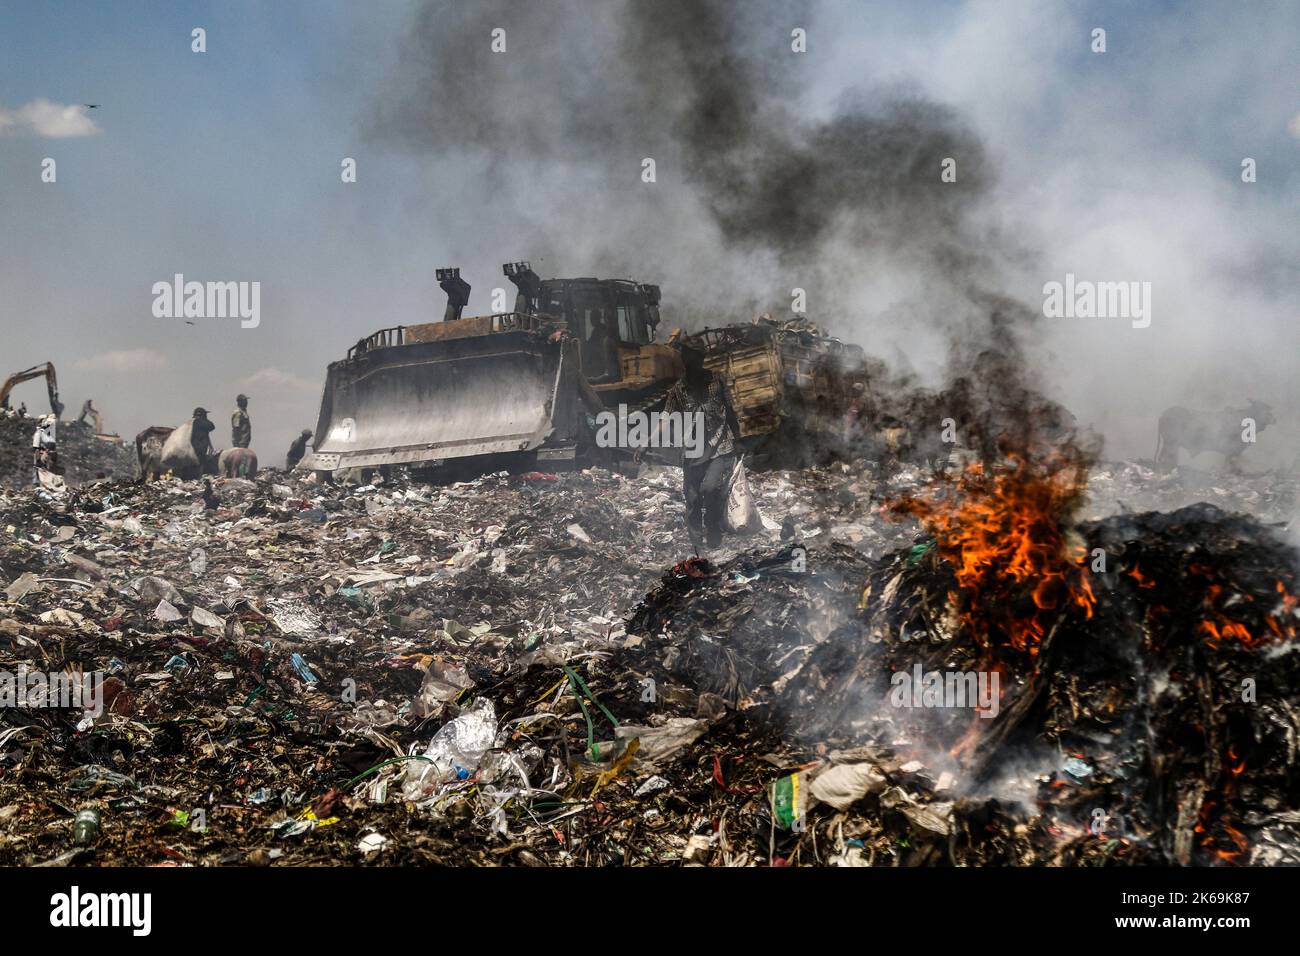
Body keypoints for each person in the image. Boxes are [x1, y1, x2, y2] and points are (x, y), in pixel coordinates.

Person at [661, 345, 741, 555]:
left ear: (700, 361)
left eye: (692, 361)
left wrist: (740, 441)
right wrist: (645, 443)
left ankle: (713, 525)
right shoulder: (679, 389)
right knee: (693, 499)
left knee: (710, 488)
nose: (688, 366)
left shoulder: (717, 382)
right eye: (685, 361)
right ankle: (697, 546)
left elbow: (730, 411)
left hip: (718, 446)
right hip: (692, 449)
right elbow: (665, 416)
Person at [32, 414, 58, 480]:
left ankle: (43, 482)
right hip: (44, 452)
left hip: (45, 452)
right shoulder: (42, 432)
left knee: (44, 469)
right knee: (42, 469)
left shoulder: (43, 432)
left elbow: (36, 446)